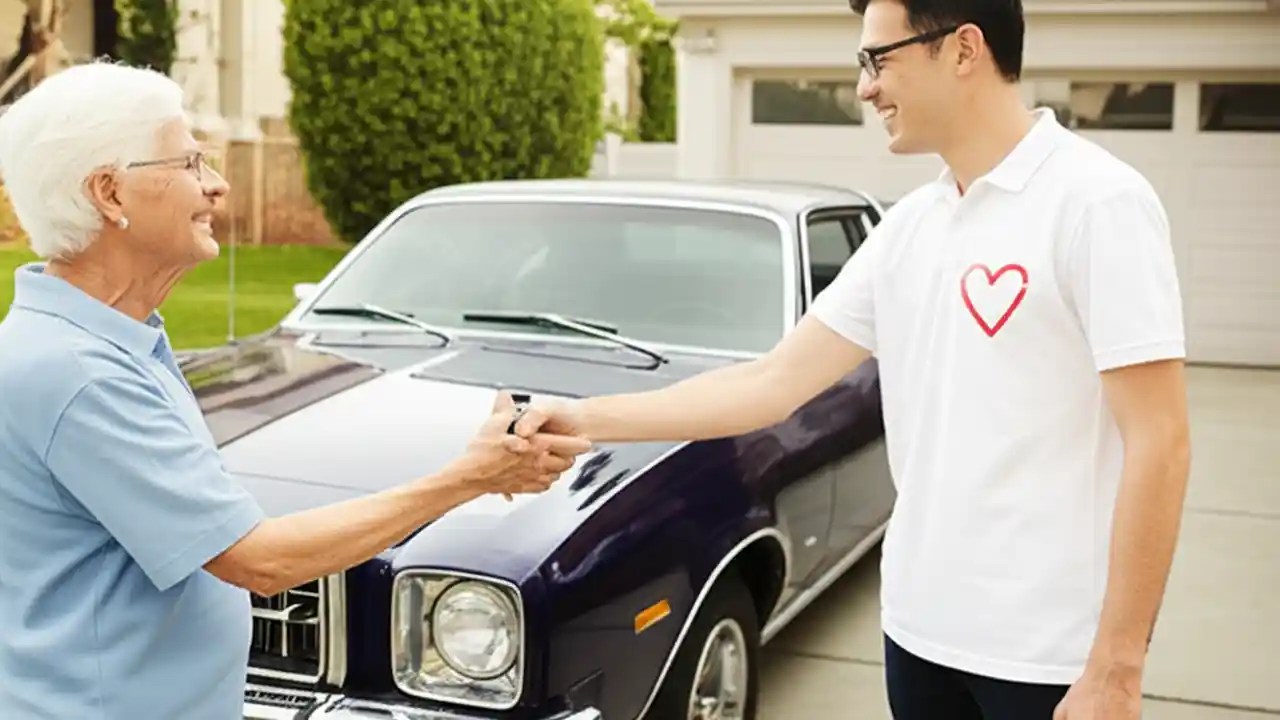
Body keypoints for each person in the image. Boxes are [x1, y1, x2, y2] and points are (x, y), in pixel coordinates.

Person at [512, 1, 1191, 719]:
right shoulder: (909, 229)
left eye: (878, 59)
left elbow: (1161, 442)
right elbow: (771, 384)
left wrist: (1118, 664)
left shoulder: (1097, 202)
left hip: (1048, 657)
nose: (864, 87)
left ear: (964, 50)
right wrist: (581, 418)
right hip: (918, 637)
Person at [0, 62, 591, 719]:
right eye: (191, 163)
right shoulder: (80, 374)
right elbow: (259, 560)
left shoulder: (104, 343)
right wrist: (467, 478)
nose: (218, 186)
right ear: (110, 194)